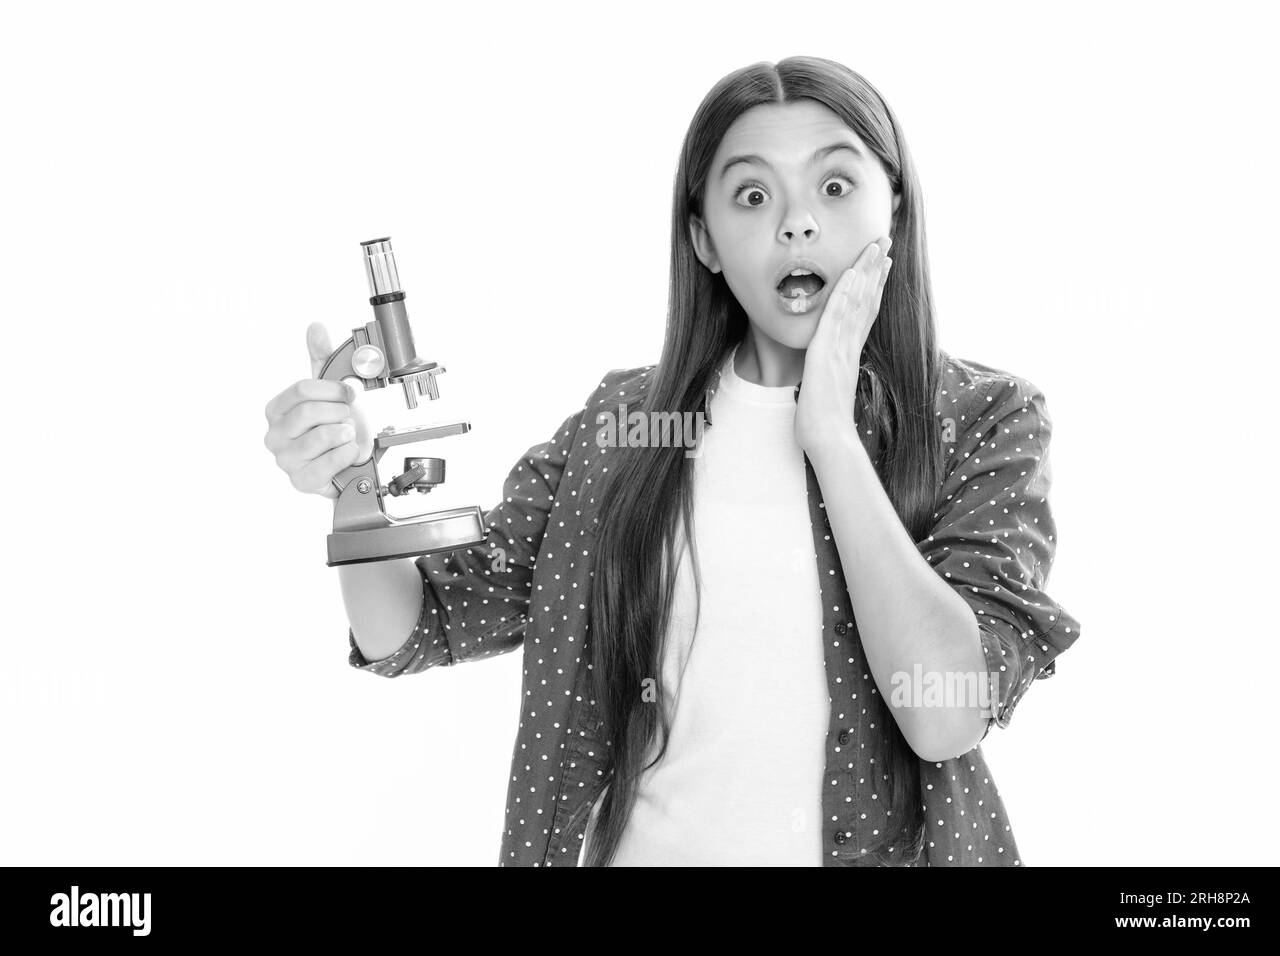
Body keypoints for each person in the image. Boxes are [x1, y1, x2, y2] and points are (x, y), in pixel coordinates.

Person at [262, 55, 1081, 866]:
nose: (796, 222)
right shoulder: (630, 429)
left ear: (893, 212)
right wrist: (355, 488)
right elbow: (417, 625)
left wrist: (830, 432)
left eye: (835, 186)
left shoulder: (979, 418)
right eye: (752, 196)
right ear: (706, 240)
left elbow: (943, 714)